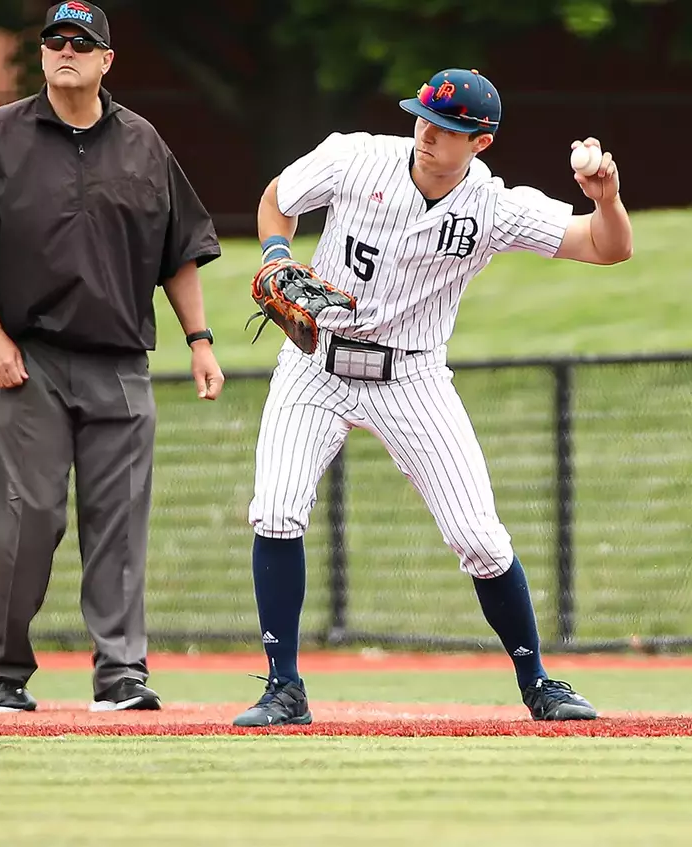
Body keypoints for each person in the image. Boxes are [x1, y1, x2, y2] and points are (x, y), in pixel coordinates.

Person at [233, 68, 633, 726]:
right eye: (423, 115)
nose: (427, 130)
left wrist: (605, 199)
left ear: (481, 141)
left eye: (446, 127)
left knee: (478, 536)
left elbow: (605, 247)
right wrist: (278, 250)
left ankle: (538, 682)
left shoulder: (493, 205)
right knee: (275, 510)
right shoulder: (358, 154)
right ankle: (284, 687)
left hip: (412, 374)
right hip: (318, 363)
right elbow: (280, 195)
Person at [0, 1, 225, 714]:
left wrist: (199, 341)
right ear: (41, 56)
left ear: (105, 61)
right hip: (27, 358)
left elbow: (179, 251)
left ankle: (121, 673)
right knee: (29, 514)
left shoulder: (144, 144)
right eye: (54, 41)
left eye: (81, 42)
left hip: (121, 360)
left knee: (120, 520)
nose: (65, 50)